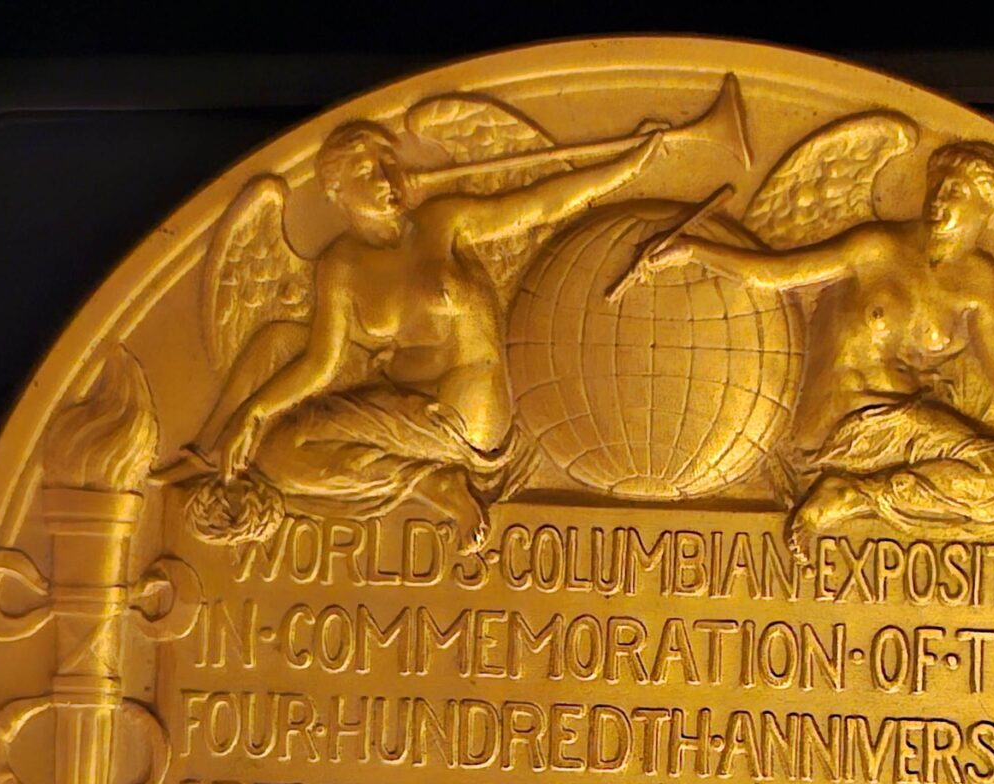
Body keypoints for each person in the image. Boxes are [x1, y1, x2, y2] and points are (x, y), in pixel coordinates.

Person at [645, 139, 994, 560]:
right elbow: (777, 274)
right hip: (842, 418)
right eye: (938, 186)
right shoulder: (877, 246)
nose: (940, 199)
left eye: (956, 191)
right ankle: (845, 491)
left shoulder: (980, 282)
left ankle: (856, 495)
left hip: (904, 425)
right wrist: (694, 250)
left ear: (990, 207)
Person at [199, 118, 670, 552]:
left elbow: (538, 205)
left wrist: (628, 167)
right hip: (401, 409)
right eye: (366, 172)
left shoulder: (440, 222)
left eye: (388, 166)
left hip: (464, 415)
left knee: (279, 456)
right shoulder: (339, 267)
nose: (385, 180)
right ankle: (425, 481)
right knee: (278, 410)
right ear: (334, 189)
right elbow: (318, 364)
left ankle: (431, 485)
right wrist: (253, 411)